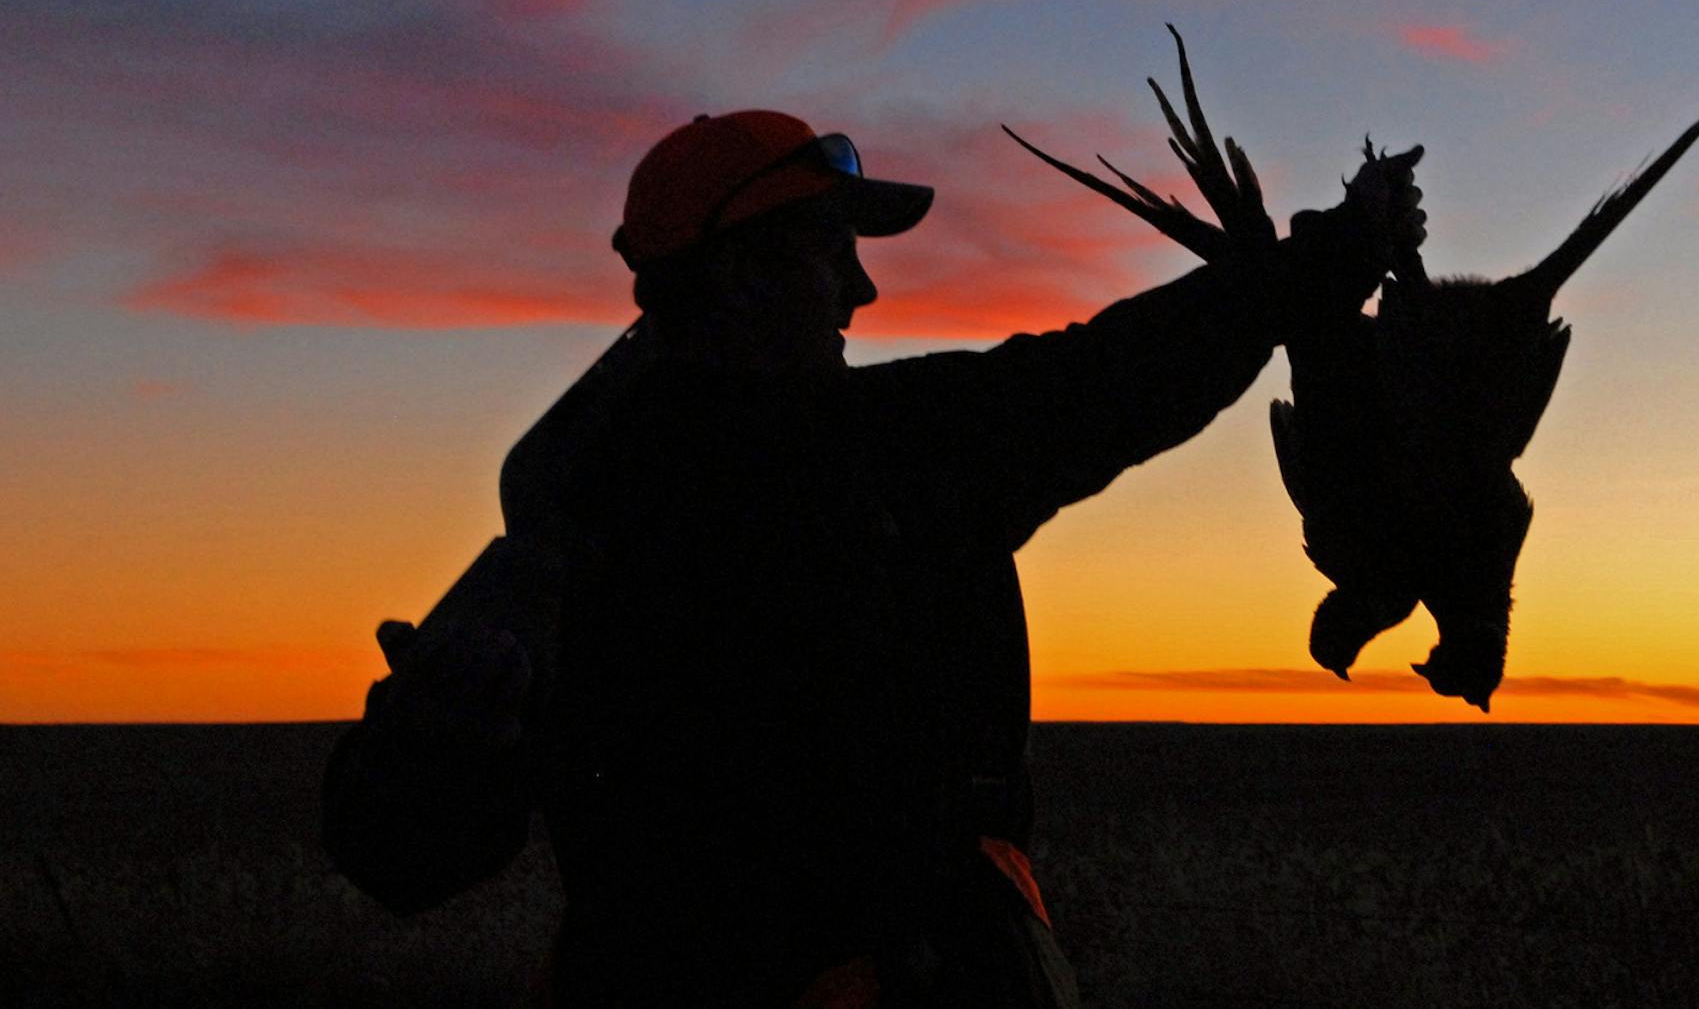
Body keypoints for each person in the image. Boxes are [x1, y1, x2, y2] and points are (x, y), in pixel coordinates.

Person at [322, 105, 1424, 1006]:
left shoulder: (575, 519)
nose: (863, 290)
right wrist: (1339, 246)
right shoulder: (887, 454)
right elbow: (1114, 378)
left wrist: (430, 745)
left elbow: (397, 856)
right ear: (743, 277)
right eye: (831, 254)